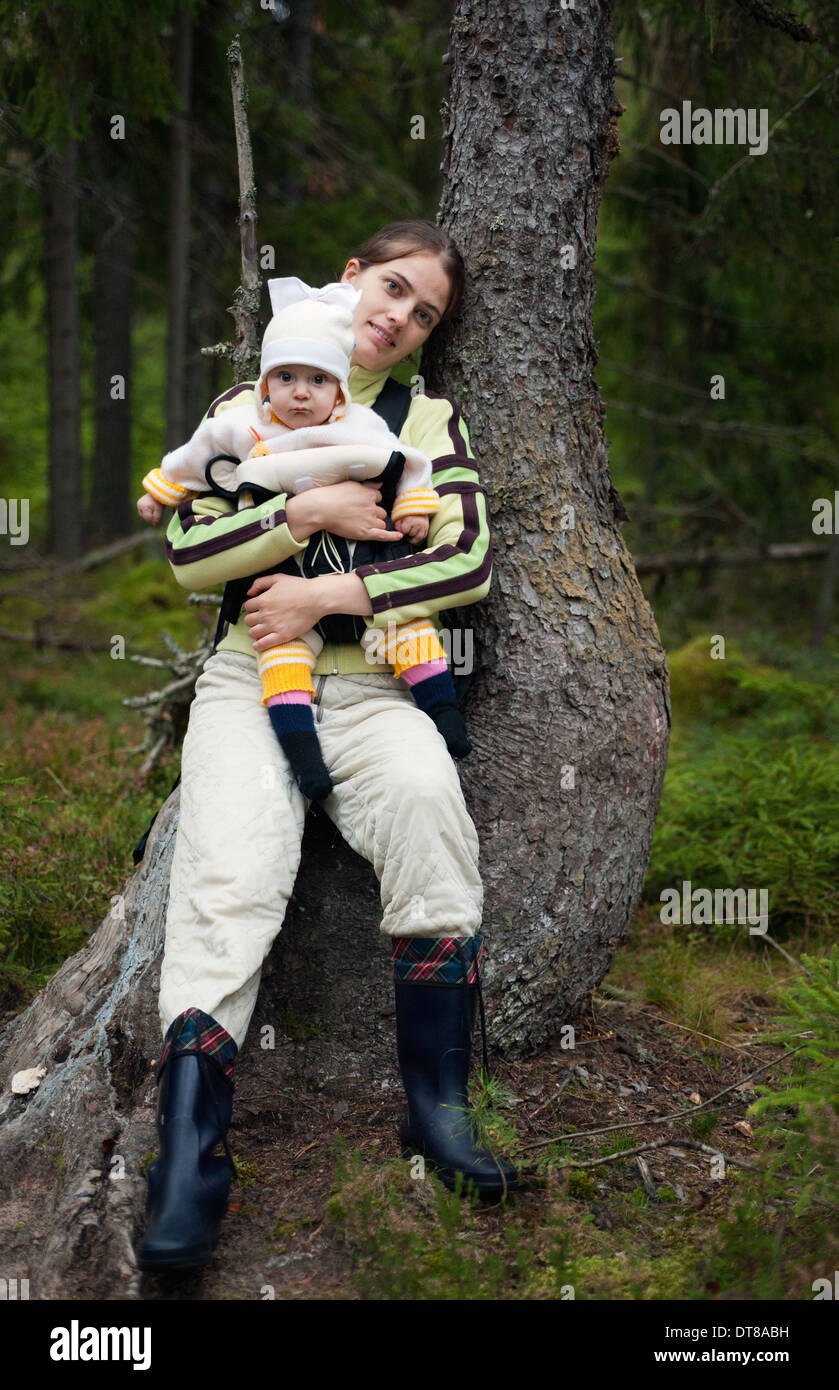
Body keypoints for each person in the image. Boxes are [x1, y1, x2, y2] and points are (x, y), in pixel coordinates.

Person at [137, 220, 519, 1274]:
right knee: (227, 874)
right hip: (248, 682)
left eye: (422, 311)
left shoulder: (423, 419)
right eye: (390, 287)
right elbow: (186, 553)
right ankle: (189, 1163)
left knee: (431, 817)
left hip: (375, 682)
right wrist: (303, 506)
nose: (396, 315)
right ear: (352, 279)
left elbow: (469, 558)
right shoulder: (252, 399)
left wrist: (331, 586)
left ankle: (435, 1109)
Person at [136, 276, 470, 801]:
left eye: (424, 314)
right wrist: (163, 491)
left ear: (336, 391)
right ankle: (304, 762)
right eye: (284, 377)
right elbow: (192, 475)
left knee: (409, 632)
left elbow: (410, 469)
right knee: (282, 661)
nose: (299, 392)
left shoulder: (369, 423)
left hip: (370, 610)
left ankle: (445, 714)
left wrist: (411, 505)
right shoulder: (241, 422)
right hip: (276, 597)